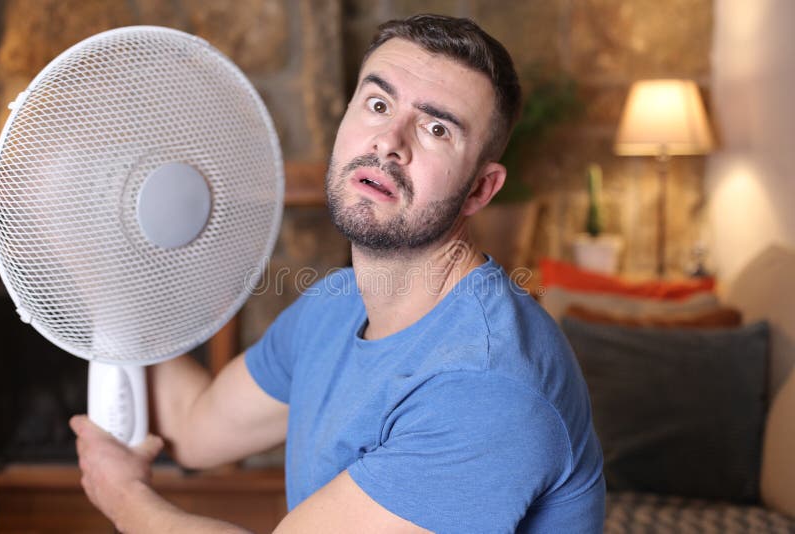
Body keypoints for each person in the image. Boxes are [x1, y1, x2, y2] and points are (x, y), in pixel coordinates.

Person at [71, 14, 605, 533]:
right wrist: (99, 263)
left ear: (480, 189)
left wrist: (124, 499)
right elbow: (193, 426)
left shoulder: (485, 386)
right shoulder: (335, 303)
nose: (389, 140)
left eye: (436, 128)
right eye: (378, 104)